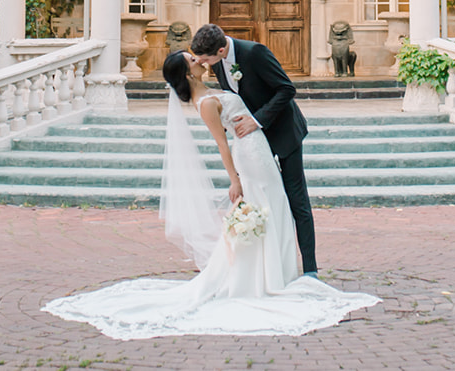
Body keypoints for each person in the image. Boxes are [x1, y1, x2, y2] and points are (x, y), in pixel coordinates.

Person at [42, 51, 377, 339]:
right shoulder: (204, 103)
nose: (198, 59)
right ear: (188, 71)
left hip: (258, 149)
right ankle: (263, 278)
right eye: (192, 59)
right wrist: (234, 180)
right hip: (250, 158)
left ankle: (280, 273)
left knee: (276, 208)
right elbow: (221, 143)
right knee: (269, 208)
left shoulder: (211, 87)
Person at [188, 22, 317, 275]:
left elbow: (286, 89)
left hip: (283, 134)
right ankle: (268, 266)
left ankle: (310, 270)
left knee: (296, 201)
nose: (202, 63)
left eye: (205, 59)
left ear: (222, 50)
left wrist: (257, 120)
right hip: (252, 145)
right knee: (266, 201)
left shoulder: (255, 53)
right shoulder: (216, 62)